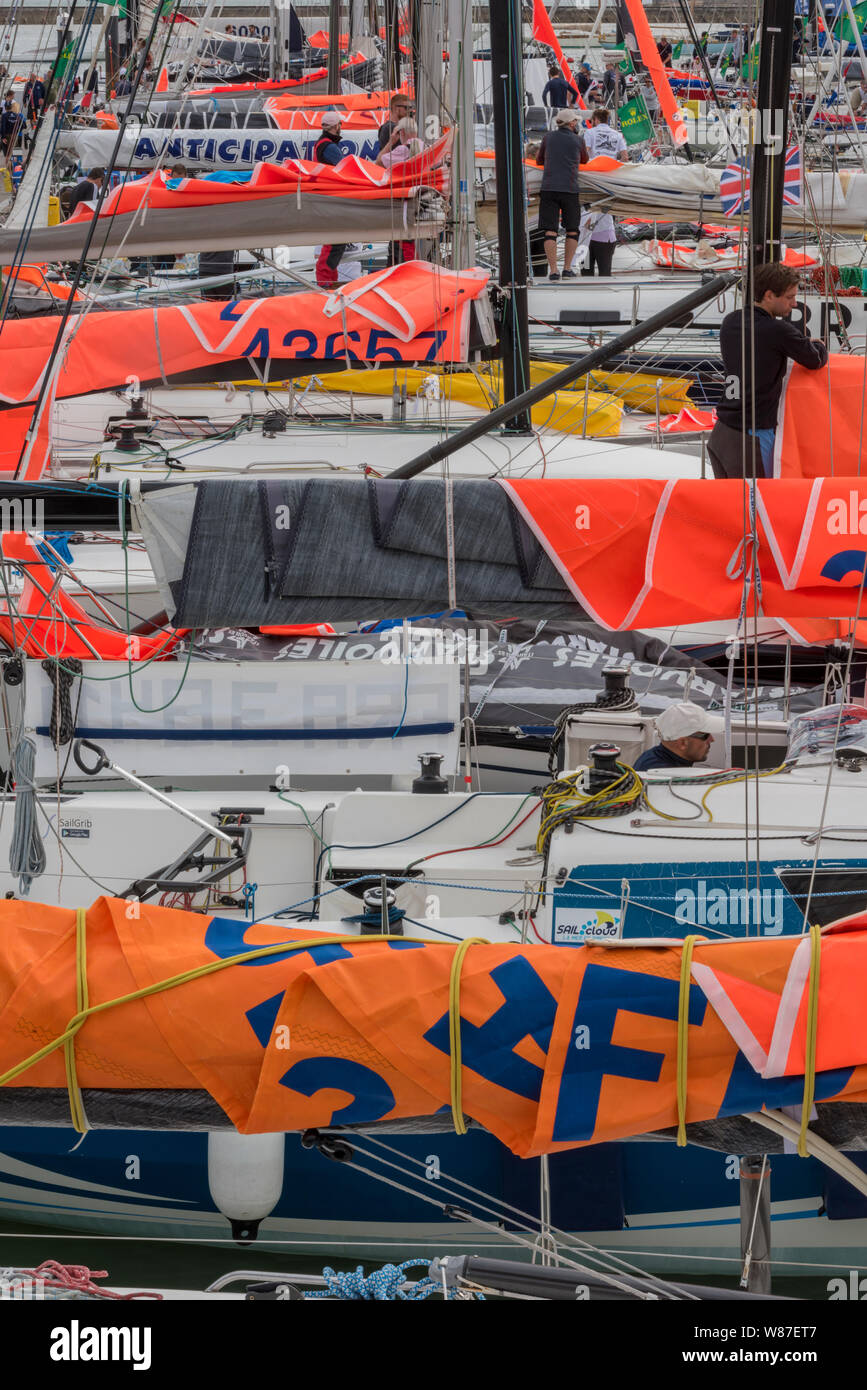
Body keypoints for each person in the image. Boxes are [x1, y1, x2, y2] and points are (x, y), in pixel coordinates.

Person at [709, 262, 828, 480]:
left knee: (729, 508)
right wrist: (817, 343)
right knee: (756, 509)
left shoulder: (730, 322)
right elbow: (815, 359)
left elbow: (760, 349)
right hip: (751, 437)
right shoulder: (777, 330)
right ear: (769, 295)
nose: (794, 304)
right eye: (789, 297)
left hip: (721, 432)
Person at [535, 108, 588, 281]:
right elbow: (585, 160)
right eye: (576, 121)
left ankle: (553, 271)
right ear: (572, 123)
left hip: (549, 187)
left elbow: (539, 160)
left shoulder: (548, 137)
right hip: (570, 188)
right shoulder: (578, 140)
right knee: (572, 230)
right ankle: (567, 269)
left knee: (550, 231)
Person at [578, 111, 626, 277]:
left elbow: (585, 154)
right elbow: (625, 158)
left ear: (596, 120)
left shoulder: (590, 133)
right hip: (610, 181)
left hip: (592, 180)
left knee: (585, 273)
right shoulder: (617, 135)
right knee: (606, 273)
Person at [632, 702, 724, 773]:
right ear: (683, 743)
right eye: (705, 735)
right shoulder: (664, 776)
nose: (712, 739)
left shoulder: (654, 757)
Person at [314, 110, 349, 288]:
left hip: (327, 197)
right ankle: (325, 281)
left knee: (336, 243)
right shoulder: (329, 147)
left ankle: (329, 280)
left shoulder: (321, 144)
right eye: (340, 125)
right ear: (336, 126)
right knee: (335, 243)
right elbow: (344, 168)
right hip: (333, 198)